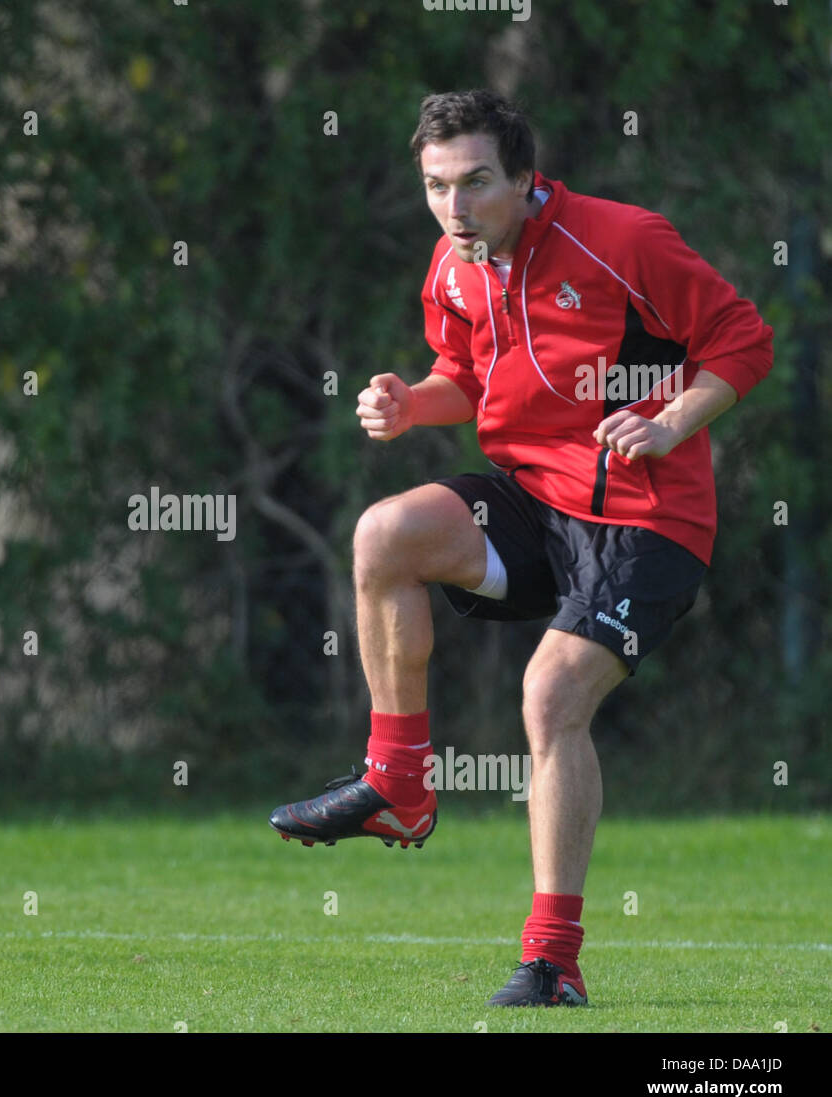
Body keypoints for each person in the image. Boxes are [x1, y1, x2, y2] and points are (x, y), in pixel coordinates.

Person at [269, 89, 774, 1007]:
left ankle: (552, 962)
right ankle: (399, 786)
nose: (454, 208)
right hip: (536, 501)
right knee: (383, 533)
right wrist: (407, 404)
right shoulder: (454, 264)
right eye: (435, 186)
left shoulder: (623, 241)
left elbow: (742, 339)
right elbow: (461, 377)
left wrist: (670, 421)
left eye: (475, 184)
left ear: (527, 180)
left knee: (549, 697)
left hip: (647, 519)